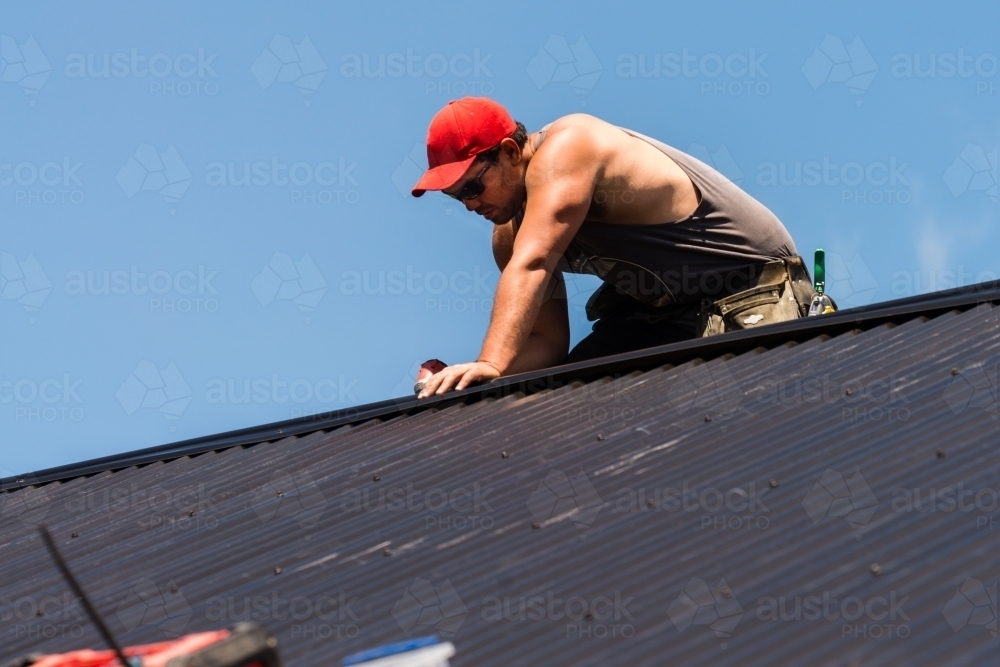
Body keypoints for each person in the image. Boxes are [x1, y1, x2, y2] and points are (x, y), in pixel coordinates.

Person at [410, 97, 806, 399]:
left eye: (473, 187)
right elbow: (545, 343)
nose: (470, 204)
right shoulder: (509, 237)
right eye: (456, 197)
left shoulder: (570, 148)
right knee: (566, 401)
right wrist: (467, 380)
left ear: (511, 153)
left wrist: (491, 362)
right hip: (664, 313)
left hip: (753, 288)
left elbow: (533, 264)